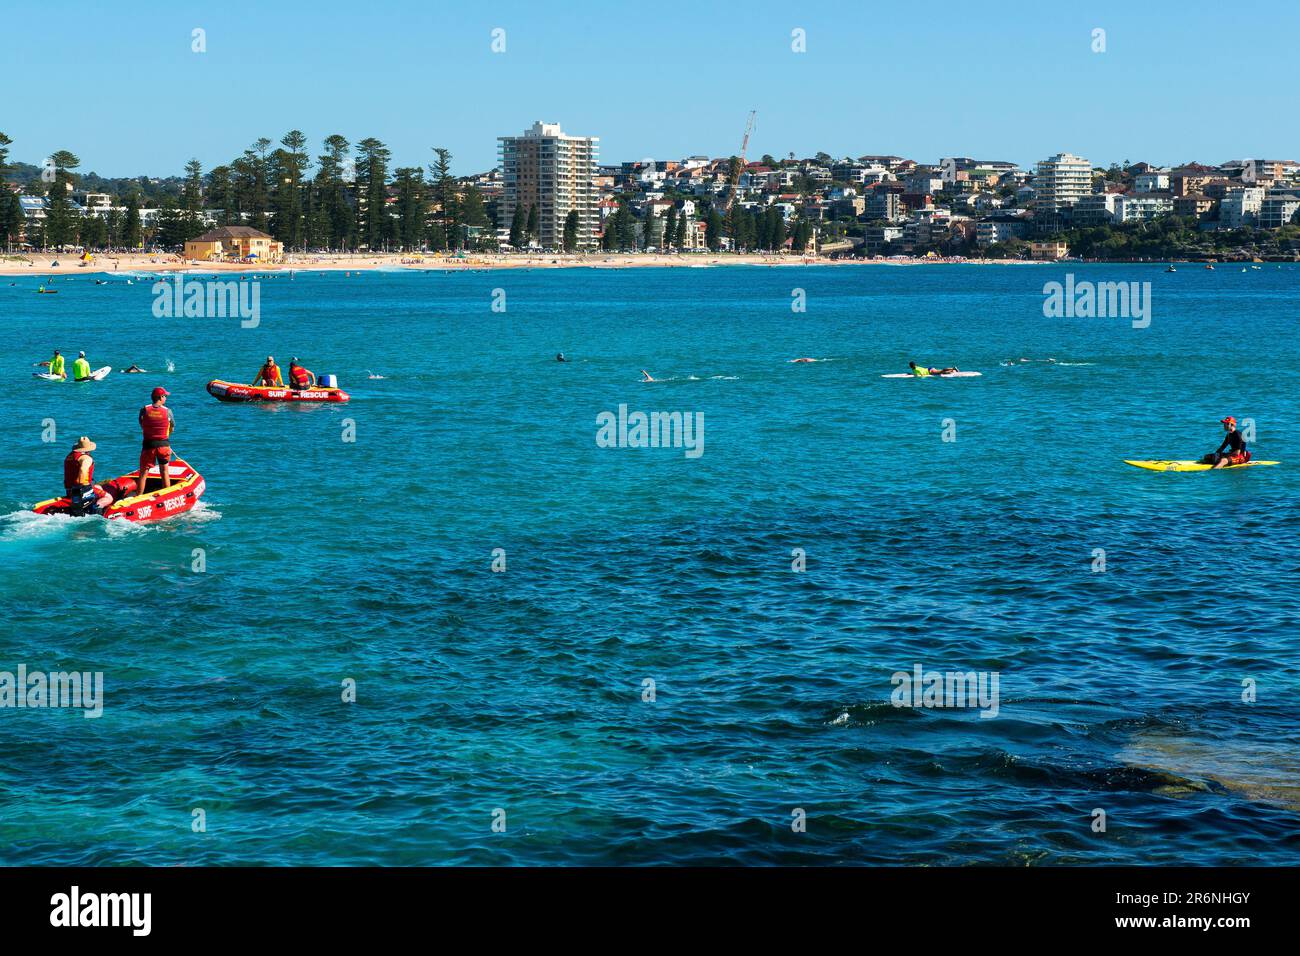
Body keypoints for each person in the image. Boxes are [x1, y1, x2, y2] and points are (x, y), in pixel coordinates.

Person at [138, 387, 175, 494]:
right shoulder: (168, 411)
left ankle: (138, 497)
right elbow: (172, 427)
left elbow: (142, 424)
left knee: (143, 473)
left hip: (148, 445)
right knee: (164, 471)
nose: (166, 398)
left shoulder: (144, 409)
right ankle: (167, 496)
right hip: (164, 445)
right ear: (160, 397)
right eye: (165, 396)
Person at [62, 436, 112, 516]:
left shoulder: (70, 456)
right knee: (109, 497)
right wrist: (83, 486)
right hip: (81, 490)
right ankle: (96, 512)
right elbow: (83, 470)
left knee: (98, 487)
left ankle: (89, 504)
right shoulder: (86, 458)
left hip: (70, 491)